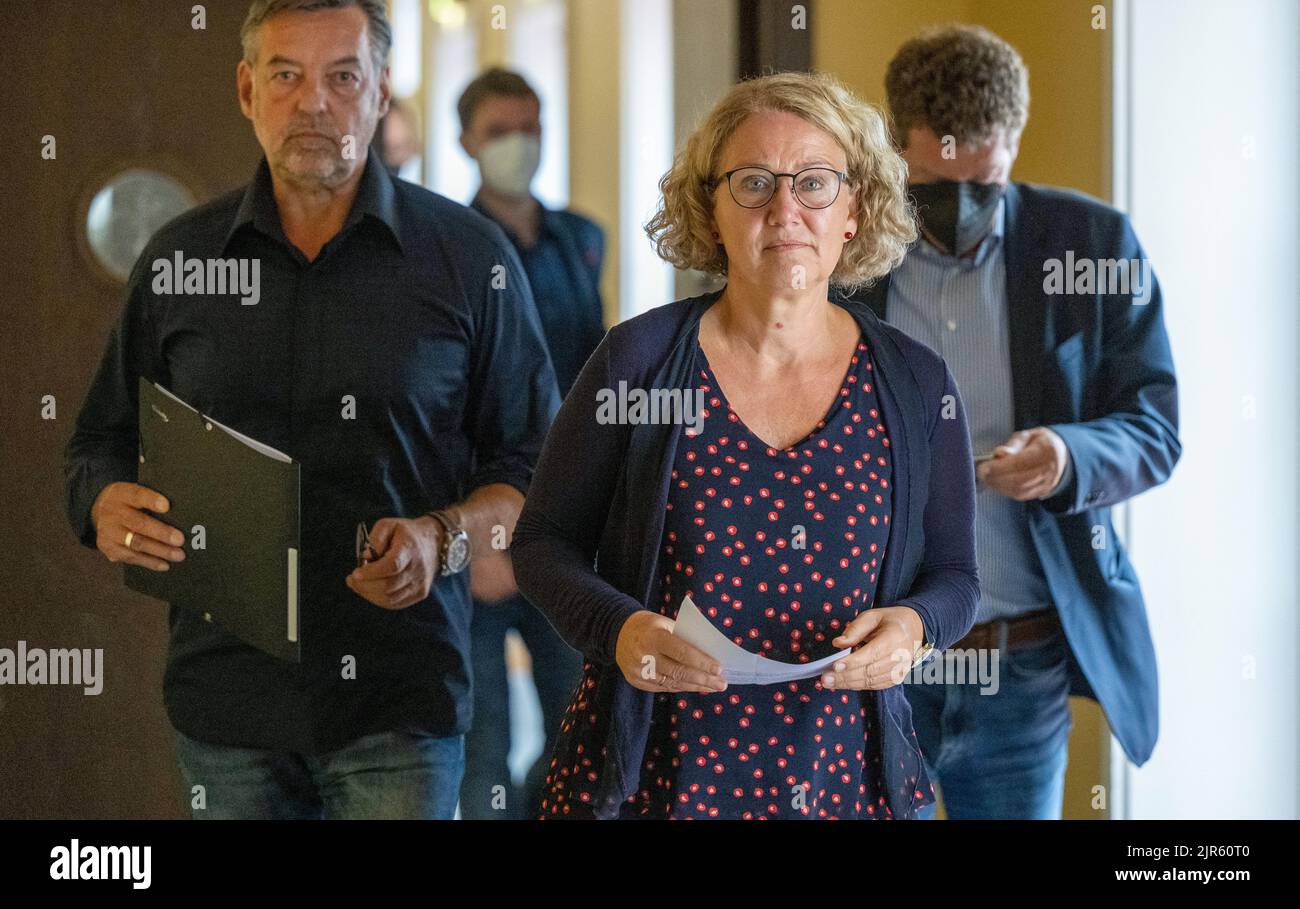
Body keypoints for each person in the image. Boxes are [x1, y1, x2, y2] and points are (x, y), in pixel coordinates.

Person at [63, 0, 558, 820]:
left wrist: (443, 538)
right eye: (287, 76)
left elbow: (536, 468)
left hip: (399, 701)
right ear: (247, 90)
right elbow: (98, 442)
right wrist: (102, 502)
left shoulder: (469, 259)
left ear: (381, 91)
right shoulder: (180, 259)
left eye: (343, 77)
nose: (314, 103)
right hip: (227, 704)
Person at [511, 71, 980, 819]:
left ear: (854, 210)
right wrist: (619, 629)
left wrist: (915, 628)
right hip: (659, 777)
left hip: (845, 777)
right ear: (711, 209)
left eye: (815, 183)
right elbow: (542, 543)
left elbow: (956, 576)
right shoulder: (637, 362)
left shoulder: (916, 383)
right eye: (754, 183)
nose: (786, 210)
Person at [851, 24, 1181, 819]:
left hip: (1020, 666)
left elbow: (1155, 425)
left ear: (1014, 147)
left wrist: (1069, 454)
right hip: (867, 657)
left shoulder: (1092, 244)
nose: (961, 207)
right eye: (935, 183)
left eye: (986, 184)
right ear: (896, 148)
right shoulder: (843, 252)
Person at [453, 67, 605, 820]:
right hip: (478, 520)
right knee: (482, 741)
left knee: (583, 727)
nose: (519, 143)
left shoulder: (581, 240)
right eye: (499, 131)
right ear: (466, 141)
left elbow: (595, 375)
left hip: (570, 525)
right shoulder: (449, 247)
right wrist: (481, 539)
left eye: (530, 127)